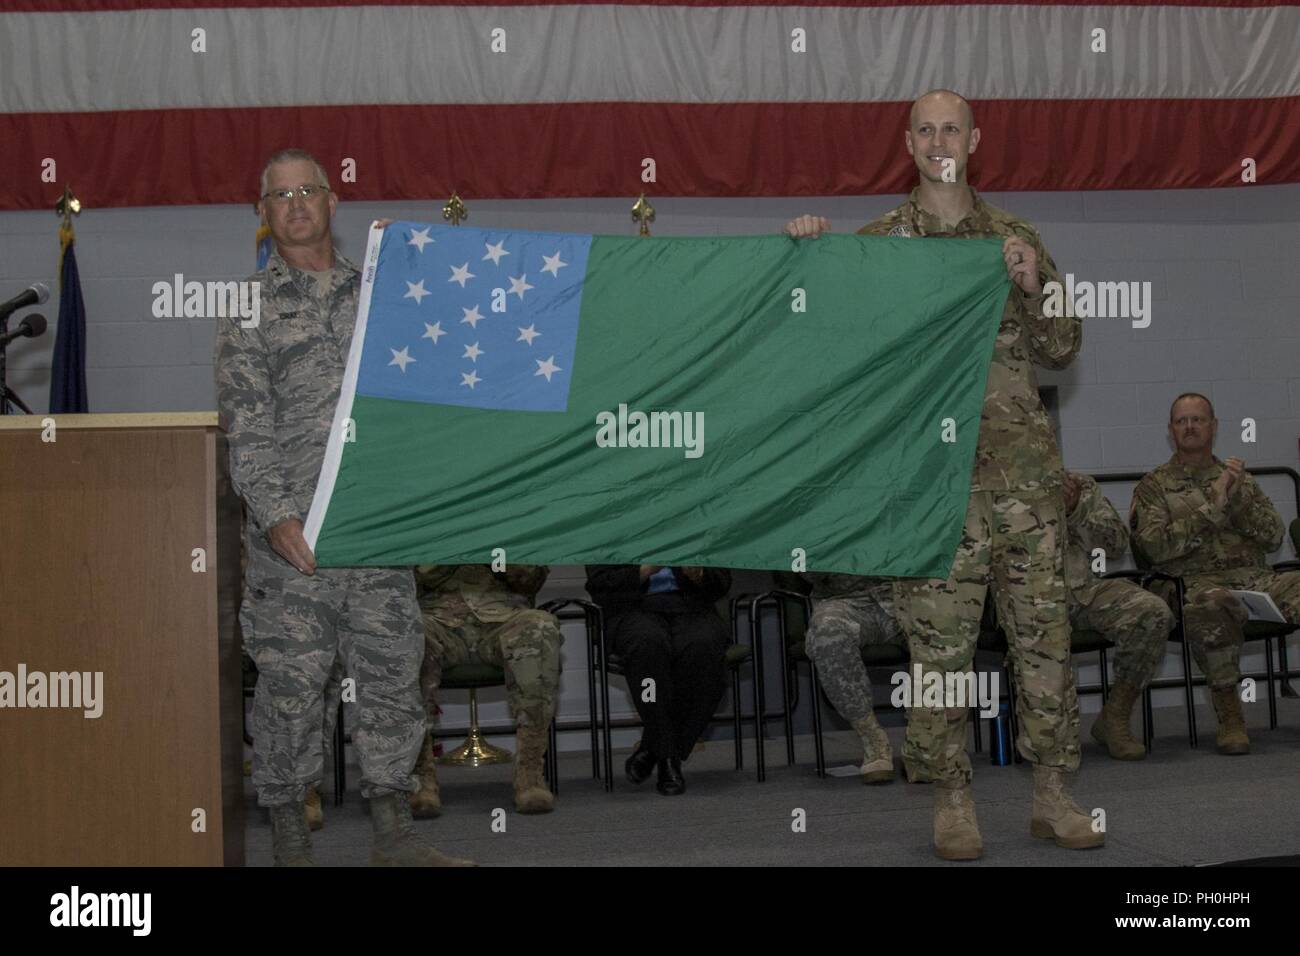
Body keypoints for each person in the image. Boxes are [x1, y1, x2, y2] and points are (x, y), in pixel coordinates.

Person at [786, 89, 1099, 860]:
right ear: (908, 142)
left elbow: (1063, 344)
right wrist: (809, 251)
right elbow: (827, 339)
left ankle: (1053, 795)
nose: (938, 140)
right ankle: (952, 801)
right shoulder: (882, 242)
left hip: (1023, 486)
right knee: (940, 654)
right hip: (932, 488)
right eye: (924, 129)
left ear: (975, 138)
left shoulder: (1015, 237)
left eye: (950, 127)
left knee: (1045, 646)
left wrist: (1033, 287)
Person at [216, 148, 470, 867]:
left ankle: (395, 836)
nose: (295, 205)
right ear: (263, 215)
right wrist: (275, 516)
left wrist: (423, 259)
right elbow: (248, 427)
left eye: (308, 192)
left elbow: (438, 388)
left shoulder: (388, 296)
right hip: (290, 547)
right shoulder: (248, 310)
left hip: (377, 532)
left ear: (332, 203)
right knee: (291, 696)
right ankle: (291, 843)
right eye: (279, 196)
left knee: (391, 683)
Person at [1131, 392, 1300, 754]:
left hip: (1255, 582)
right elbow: (1154, 548)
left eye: (1197, 419)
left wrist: (1237, 499)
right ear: (1171, 430)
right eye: (1181, 421)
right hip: (1194, 587)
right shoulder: (1154, 486)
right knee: (1209, 607)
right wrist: (1213, 505)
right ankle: (1231, 717)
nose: (1189, 427)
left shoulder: (1240, 478)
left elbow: (1273, 537)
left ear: (1214, 426)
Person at [412, 564, 562, 815]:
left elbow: (532, 580)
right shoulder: (420, 524)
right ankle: (421, 777)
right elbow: (405, 580)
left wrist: (497, 555)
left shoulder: (515, 524)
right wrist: (448, 552)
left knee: (540, 626)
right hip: (438, 620)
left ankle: (530, 773)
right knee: (408, 633)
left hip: (504, 619)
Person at [585, 564, 731, 795]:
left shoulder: (695, 527)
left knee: (704, 651)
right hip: (632, 609)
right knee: (648, 652)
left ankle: (654, 746)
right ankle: (668, 758)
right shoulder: (607, 527)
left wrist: (700, 575)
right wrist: (644, 570)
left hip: (692, 607)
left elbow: (722, 582)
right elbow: (599, 585)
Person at [1061, 472, 1176, 760]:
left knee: (1151, 612)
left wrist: (1076, 510)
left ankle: (1115, 715)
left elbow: (1115, 545)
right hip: (1027, 602)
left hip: (1083, 594)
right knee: (1053, 748)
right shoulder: (993, 487)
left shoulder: (1077, 484)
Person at [792, 573, 908, 783]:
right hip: (844, 601)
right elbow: (807, 570)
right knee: (828, 631)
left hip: (909, 595)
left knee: (943, 629)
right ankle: (873, 740)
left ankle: (928, 739)